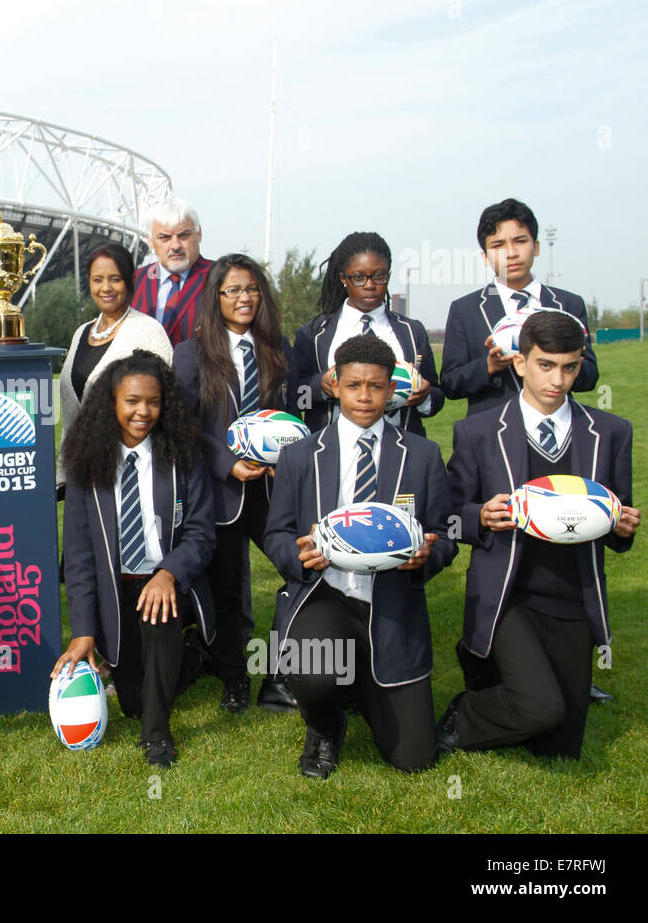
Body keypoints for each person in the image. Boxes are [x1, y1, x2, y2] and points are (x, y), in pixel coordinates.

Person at [438, 311, 638, 760]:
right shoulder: (479, 431)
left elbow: (616, 524)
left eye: (569, 367)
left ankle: (502, 689)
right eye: (546, 365)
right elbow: (449, 514)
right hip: (509, 596)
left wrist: (621, 526)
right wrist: (479, 517)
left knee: (559, 746)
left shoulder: (610, 432)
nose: (558, 380)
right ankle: (465, 711)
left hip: (571, 596)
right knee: (541, 710)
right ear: (520, 362)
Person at [264, 334, 456, 779]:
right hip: (325, 594)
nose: (365, 397)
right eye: (354, 385)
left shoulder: (423, 456)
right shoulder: (300, 455)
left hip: (391, 602)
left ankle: (366, 689)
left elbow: (447, 533)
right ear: (334, 385)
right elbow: (276, 534)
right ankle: (325, 725)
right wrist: (300, 557)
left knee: (413, 759)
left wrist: (427, 554)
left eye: (375, 386)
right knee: (312, 672)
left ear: (392, 391)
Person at [54, 351, 216, 768]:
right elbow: (78, 554)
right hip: (116, 585)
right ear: (112, 403)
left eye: (154, 401)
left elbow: (202, 534)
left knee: (158, 621)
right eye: (132, 401)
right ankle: (193, 656)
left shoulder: (184, 455)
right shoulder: (87, 462)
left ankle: (157, 736)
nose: (143, 411)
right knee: (131, 702)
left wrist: (168, 573)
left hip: (165, 582)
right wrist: (84, 631)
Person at [173, 254, 298, 714]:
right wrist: (228, 463)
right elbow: (182, 424)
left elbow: (292, 417)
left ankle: (282, 672)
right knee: (227, 591)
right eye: (233, 290)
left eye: (251, 289)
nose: (243, 298)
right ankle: (233, 678)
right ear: (216, 298)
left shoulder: (277, 348)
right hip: (219, 492)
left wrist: (286, 455)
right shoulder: (191, 354)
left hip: (272, 490)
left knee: (301, 571)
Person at [441, 198, 598, 420]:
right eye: (498, 245)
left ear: (536, 247)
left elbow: (590, 378)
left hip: (557, 430)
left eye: (520, 241)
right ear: (485, 256)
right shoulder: (465, 310)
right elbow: (450, 384)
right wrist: (488, 365)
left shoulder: (568, 305)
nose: (511, 252)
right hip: (491, 435)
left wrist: (564, 361)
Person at [292, 231, 443, 436]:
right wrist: (320, 386)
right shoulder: (313, 335)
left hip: (399, 452)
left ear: (388, 276)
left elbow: (437, 397)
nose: (370, 285)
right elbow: (296, 398)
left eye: (379, 276)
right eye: (359, 277)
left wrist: (424, 397)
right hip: (333, 455)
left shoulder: (412, 332)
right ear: (344, 278)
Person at [57, 243, 172, 486]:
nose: (106, 288)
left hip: (133, 473)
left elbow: (167, 406)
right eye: (98, 279)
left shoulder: (148, 331)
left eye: (115, 279)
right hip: (84, 471)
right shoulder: (81, 333)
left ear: (130, 281)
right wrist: (63, 473)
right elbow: (71, 418)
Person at [128, 198, 211, 347]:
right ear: (151, 241)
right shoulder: (136, 280)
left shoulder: (219, 278)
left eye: (184, 235)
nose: (175, 245)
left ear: (199, 235)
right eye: (164, 237)